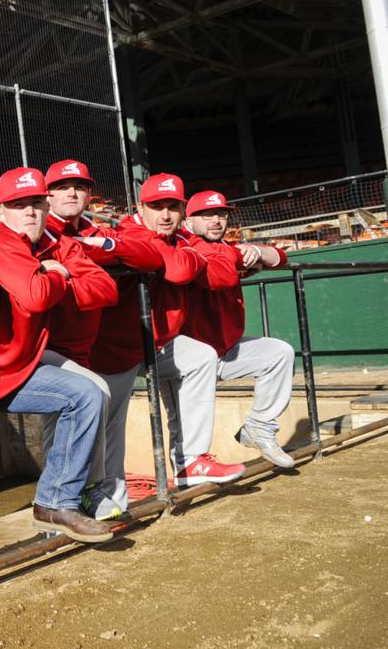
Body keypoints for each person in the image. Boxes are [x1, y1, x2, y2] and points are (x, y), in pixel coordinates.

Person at [0, 166, 118, 567]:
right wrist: (55, 276)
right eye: (18, 205)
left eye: (35, 203)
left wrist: (58, 273)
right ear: (1, 211)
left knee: (85, 393)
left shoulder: (57, 244)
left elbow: (106, 288)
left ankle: (55, 502)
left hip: (16, 372)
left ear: (46, 205)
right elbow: (34, 295)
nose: (29, 213)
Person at [88, 173, 246, 489]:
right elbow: (178, 267)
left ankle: (191, 461)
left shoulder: (182, 240)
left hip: (158, 342)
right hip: (113, 348)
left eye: (172, 207)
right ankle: (98, 496)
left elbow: (221, 275)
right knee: (107, 426)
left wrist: (190, 256)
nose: (164, 215)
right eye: (156, 206)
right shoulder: (130, 232)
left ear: (183, 210)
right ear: (140, 207)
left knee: (200, 356)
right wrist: (186, 257)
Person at [43, 159, 162, 520]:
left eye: (79, 186)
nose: (72, 193)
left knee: (110, 429)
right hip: (49, 347)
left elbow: (151, 254)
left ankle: (108, 504)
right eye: (63, 187)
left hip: (93, 347)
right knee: (60, 436)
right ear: (47, 195)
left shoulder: (96, 230)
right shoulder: (38, 227)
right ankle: (56, 514)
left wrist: (99, 245)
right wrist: (85, 247)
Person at [181, 190, 296, 467]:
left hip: (225, 349)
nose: (217, 220)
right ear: (189, 221)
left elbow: (281, 257)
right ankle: (186, 477)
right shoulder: (183, 244)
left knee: (279, 352)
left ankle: (259, 427)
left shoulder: (225, 247)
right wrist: (246, 256)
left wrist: (258, 251)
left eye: (221, 214)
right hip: (187, 355)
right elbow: (213, 255)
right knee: (183, 429)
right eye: (207, 215)